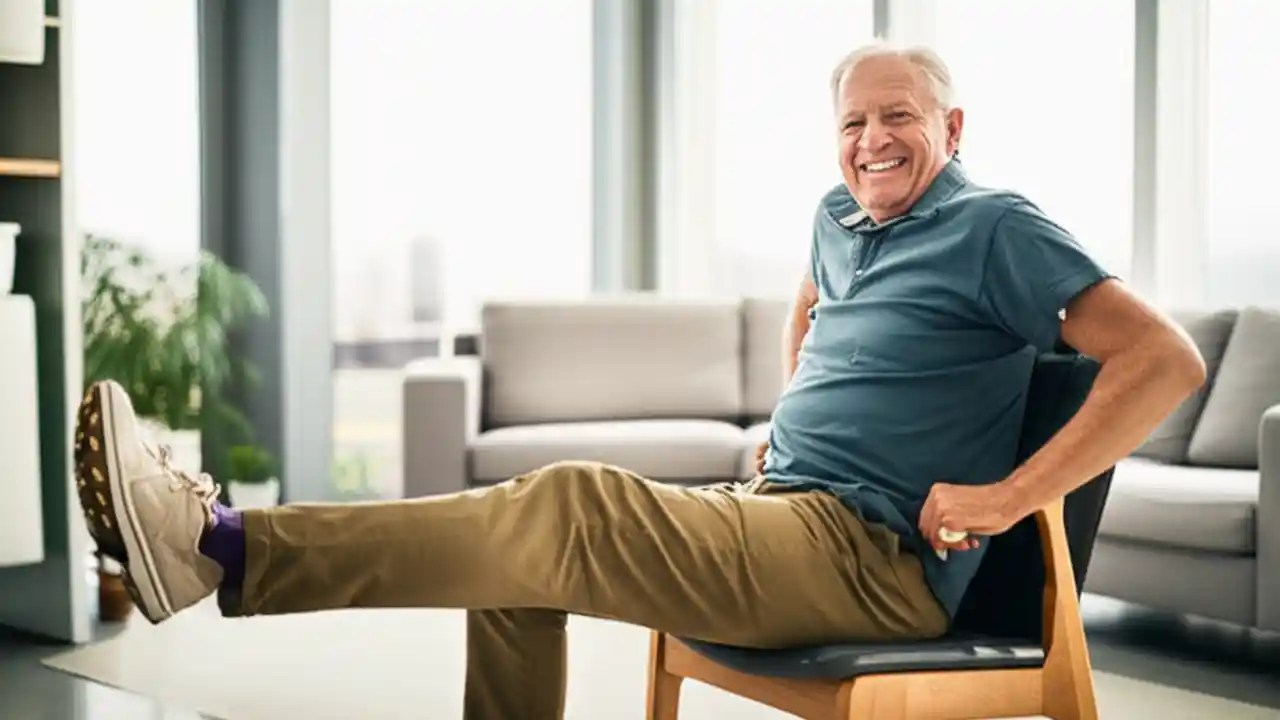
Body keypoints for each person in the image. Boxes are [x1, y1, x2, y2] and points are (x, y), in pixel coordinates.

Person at [72, 43, 1205, 719]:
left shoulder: (992, 226)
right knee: (510, 554)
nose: (870, 139)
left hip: (873, 562)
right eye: (851, 121)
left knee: (567, 504)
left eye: (897, 116)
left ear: (950, 128)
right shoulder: (836, 218)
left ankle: (222, 547)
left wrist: (1007, 500)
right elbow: (815, 311)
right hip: (780, 512)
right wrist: (789, 420)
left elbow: (1161, 359)